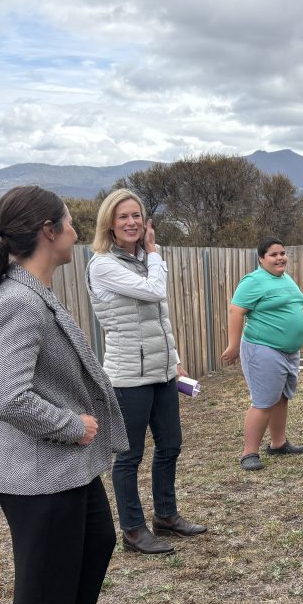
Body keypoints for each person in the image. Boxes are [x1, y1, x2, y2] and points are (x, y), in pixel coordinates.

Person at [0, 186, 126, 604]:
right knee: (45, 574)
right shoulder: (18, 302)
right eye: (69, 221)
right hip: (36, 469)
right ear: (47, 231)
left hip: (65, 465)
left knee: (96, 542)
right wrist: (70, 425)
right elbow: (6, 396)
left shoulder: (34, 291)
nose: (77, 230)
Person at [87, 189, 206, 555]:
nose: (131, 222)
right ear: (109, 223)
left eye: (136, 215)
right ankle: (133, 529)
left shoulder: (143, 260)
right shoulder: (103, 265)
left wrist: (175, 359)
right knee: (130, 455)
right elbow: (154, 292)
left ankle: (166, 516)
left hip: (162, 371)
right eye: (123, 216)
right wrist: (155, 253)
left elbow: (159, 320)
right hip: (128, 377)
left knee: (170, 445)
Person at [220, 236, 303, 471]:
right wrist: (233, 345)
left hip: (289, 351)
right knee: (263, 401)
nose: (280, 258)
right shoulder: (253, 281)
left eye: (282, 253)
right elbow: (236, 311)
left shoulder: (285, 278)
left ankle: (278, 444)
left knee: (281, 397)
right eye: (273, 254)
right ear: (261, 258)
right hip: (263, 348)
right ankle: (249, 453)